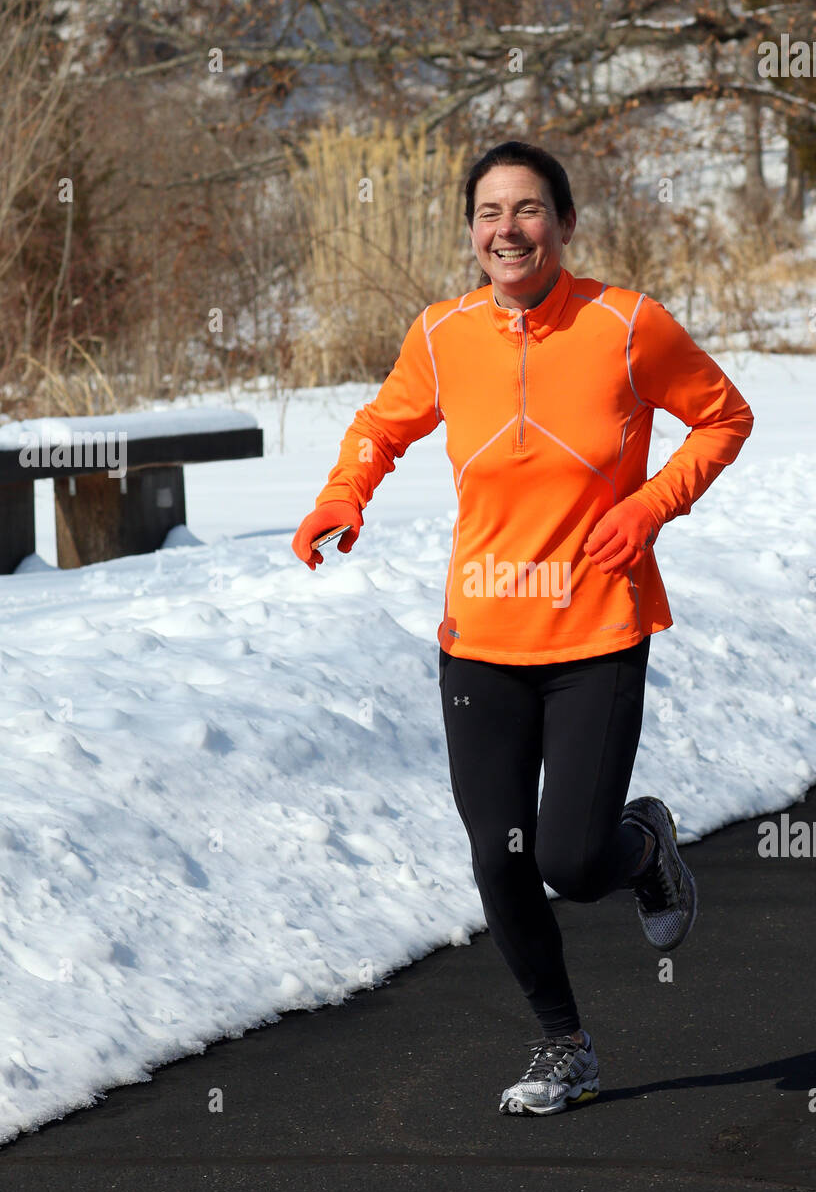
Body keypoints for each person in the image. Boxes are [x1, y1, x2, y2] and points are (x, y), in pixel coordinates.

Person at [292, 140, 754, 1116]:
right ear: (471, 230)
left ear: (565, 223)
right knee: (498, 856)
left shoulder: (626, 323)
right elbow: (380, 426)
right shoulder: (440, 332)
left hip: (596, 631)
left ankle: (640, 849)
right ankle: (562, 1042)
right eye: (489, 212)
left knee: (568, 860)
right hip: (481, 641)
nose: (507, 229)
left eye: (528, 209)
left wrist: (650, 506)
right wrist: (344, 496)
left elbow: (722, 418)